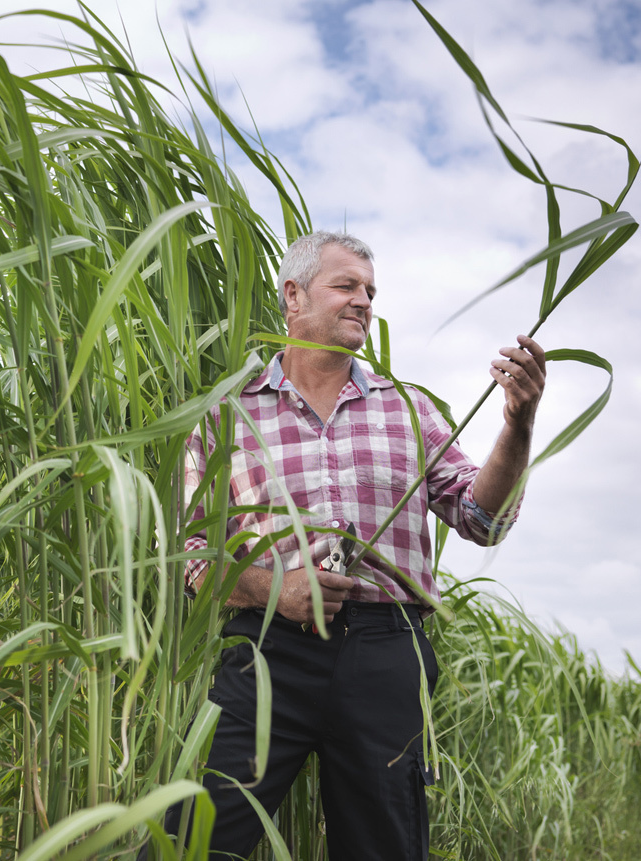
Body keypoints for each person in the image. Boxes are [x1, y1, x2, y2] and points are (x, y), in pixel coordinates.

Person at [145, 231, 547, 861]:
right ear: (293, 297)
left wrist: (517, 425)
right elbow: (198, 556)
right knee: (192, 844)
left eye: (370, 291)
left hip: (387, 655)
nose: (363, 300)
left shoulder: (410, 410)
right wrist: (277, 588)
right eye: (346, 286)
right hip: (267, 652)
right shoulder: (229, 417)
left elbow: (480, 519)